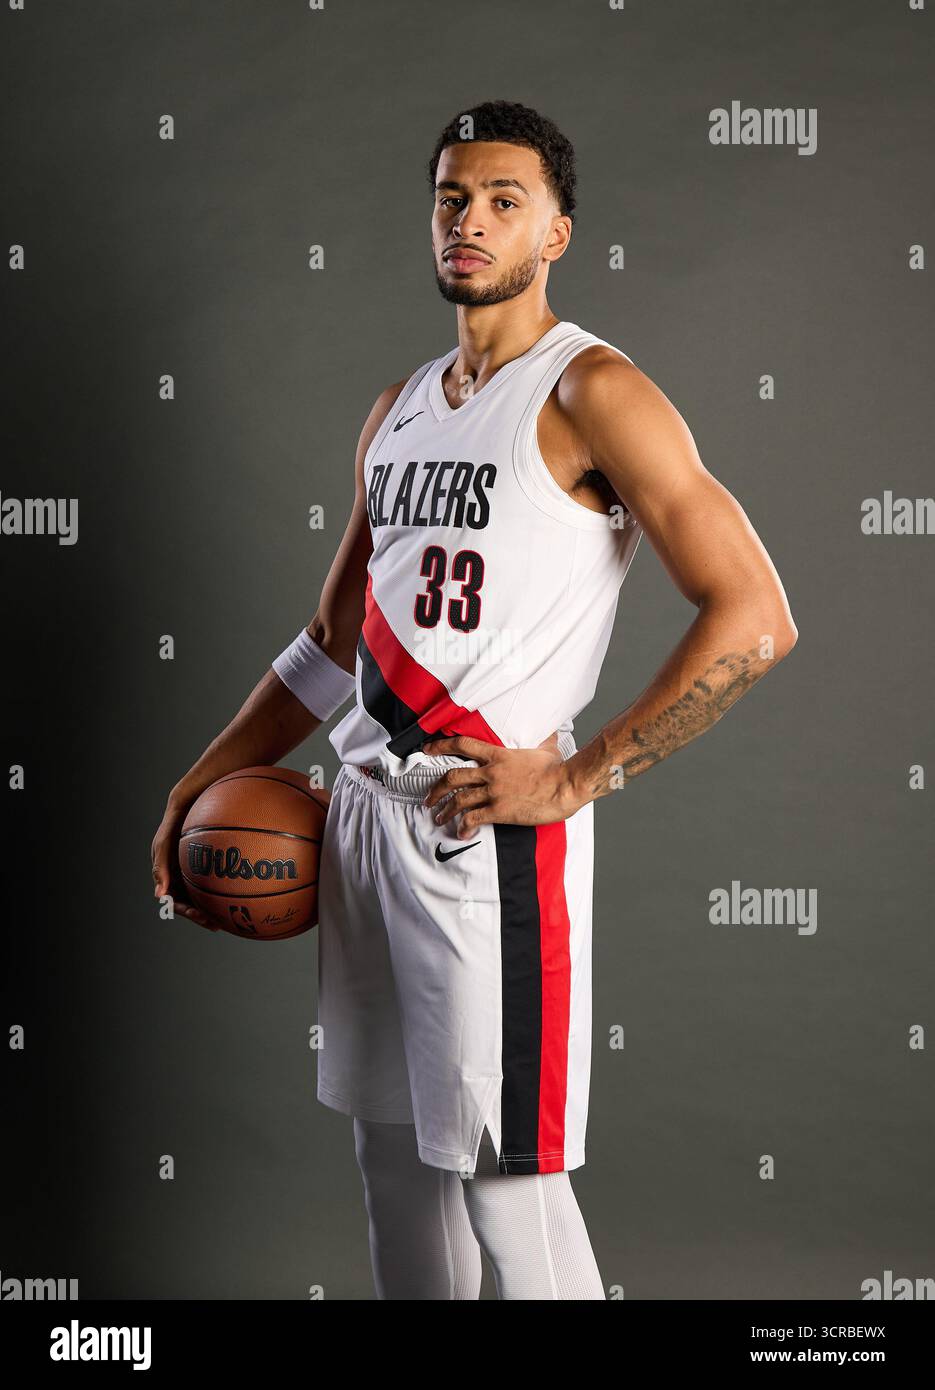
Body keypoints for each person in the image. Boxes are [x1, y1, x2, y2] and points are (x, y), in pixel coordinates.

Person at [152, 99, 797, 1300]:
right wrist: (202, 777)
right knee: (392, 1159)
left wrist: (576, 773)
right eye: (453, 197)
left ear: (556, 232)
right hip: (360, 815)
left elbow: (753, 615)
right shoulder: (395, 410)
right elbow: (336, 638)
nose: (472, 220)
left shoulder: (590, 390)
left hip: (483, 832)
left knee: (509, 1185)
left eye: (505, 201)